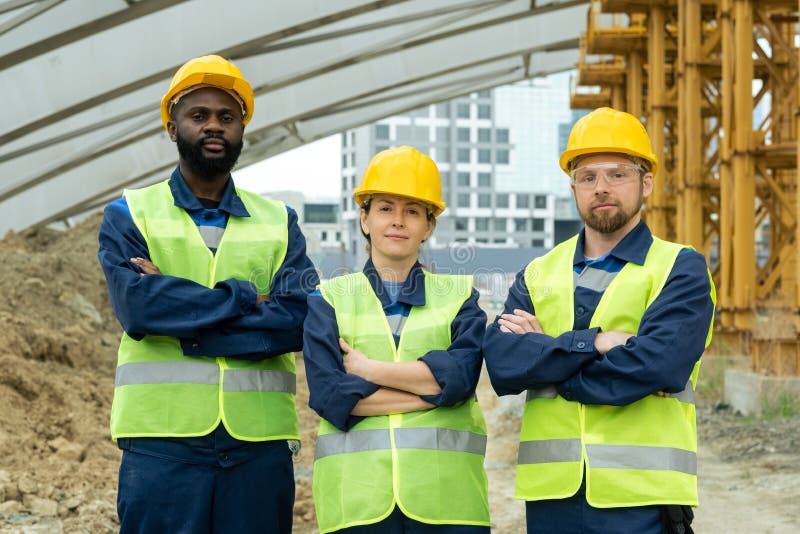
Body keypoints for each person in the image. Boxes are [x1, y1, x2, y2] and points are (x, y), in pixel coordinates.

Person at [97, 54, 319, 533]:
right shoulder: (130, 213)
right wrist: (245, 297)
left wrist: (186, 323)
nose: (214, 126)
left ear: (242, 129)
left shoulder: (280, 221)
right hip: (162, 444)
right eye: (199, 116)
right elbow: (138, 307)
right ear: (173, 128)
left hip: (257, 445)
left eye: (227, 117)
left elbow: (298, 319)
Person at [483, 107, 716, 534]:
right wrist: (596, 344)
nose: (601, 188)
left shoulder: (678, 268)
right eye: (588, 177)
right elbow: (503, 363)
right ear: (573, 186)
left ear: (646, 182)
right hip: (552, 497)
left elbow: (658, 366)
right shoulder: (539, 272)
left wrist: (552, 367)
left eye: (617, 175)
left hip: (643, 498)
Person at [303, 146, 491, 534]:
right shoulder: (329, 299)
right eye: (386, 208)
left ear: (428, 226)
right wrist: (431, 391)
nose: (398, 221)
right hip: (358, 503)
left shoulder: (460, 297)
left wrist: (369, 371)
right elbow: (330, 396)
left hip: (447, 503)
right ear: (365, 219)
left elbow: (460, 379)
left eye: (412, 211)